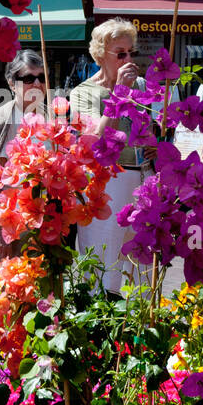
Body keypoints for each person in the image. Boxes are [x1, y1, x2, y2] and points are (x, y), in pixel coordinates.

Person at [68, 18, 149, 295]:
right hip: (105, 184)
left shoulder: (140, 85)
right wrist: (119, 94)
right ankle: (99, 320)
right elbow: (94, 141)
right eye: (121, 53)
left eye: (131, 53)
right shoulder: (84, 92)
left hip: (138, 179)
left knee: (137, 265)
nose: (128, 60)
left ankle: (133, 327)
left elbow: (145, 132)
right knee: (103, 262)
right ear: (101, 54)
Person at [0, 49, 45, 256]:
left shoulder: (49, 116)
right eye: (29, 78)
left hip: (45, 214)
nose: (37, 84)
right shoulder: (4, 119)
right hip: (15, 218)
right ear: (12, 83)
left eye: (41, 77)